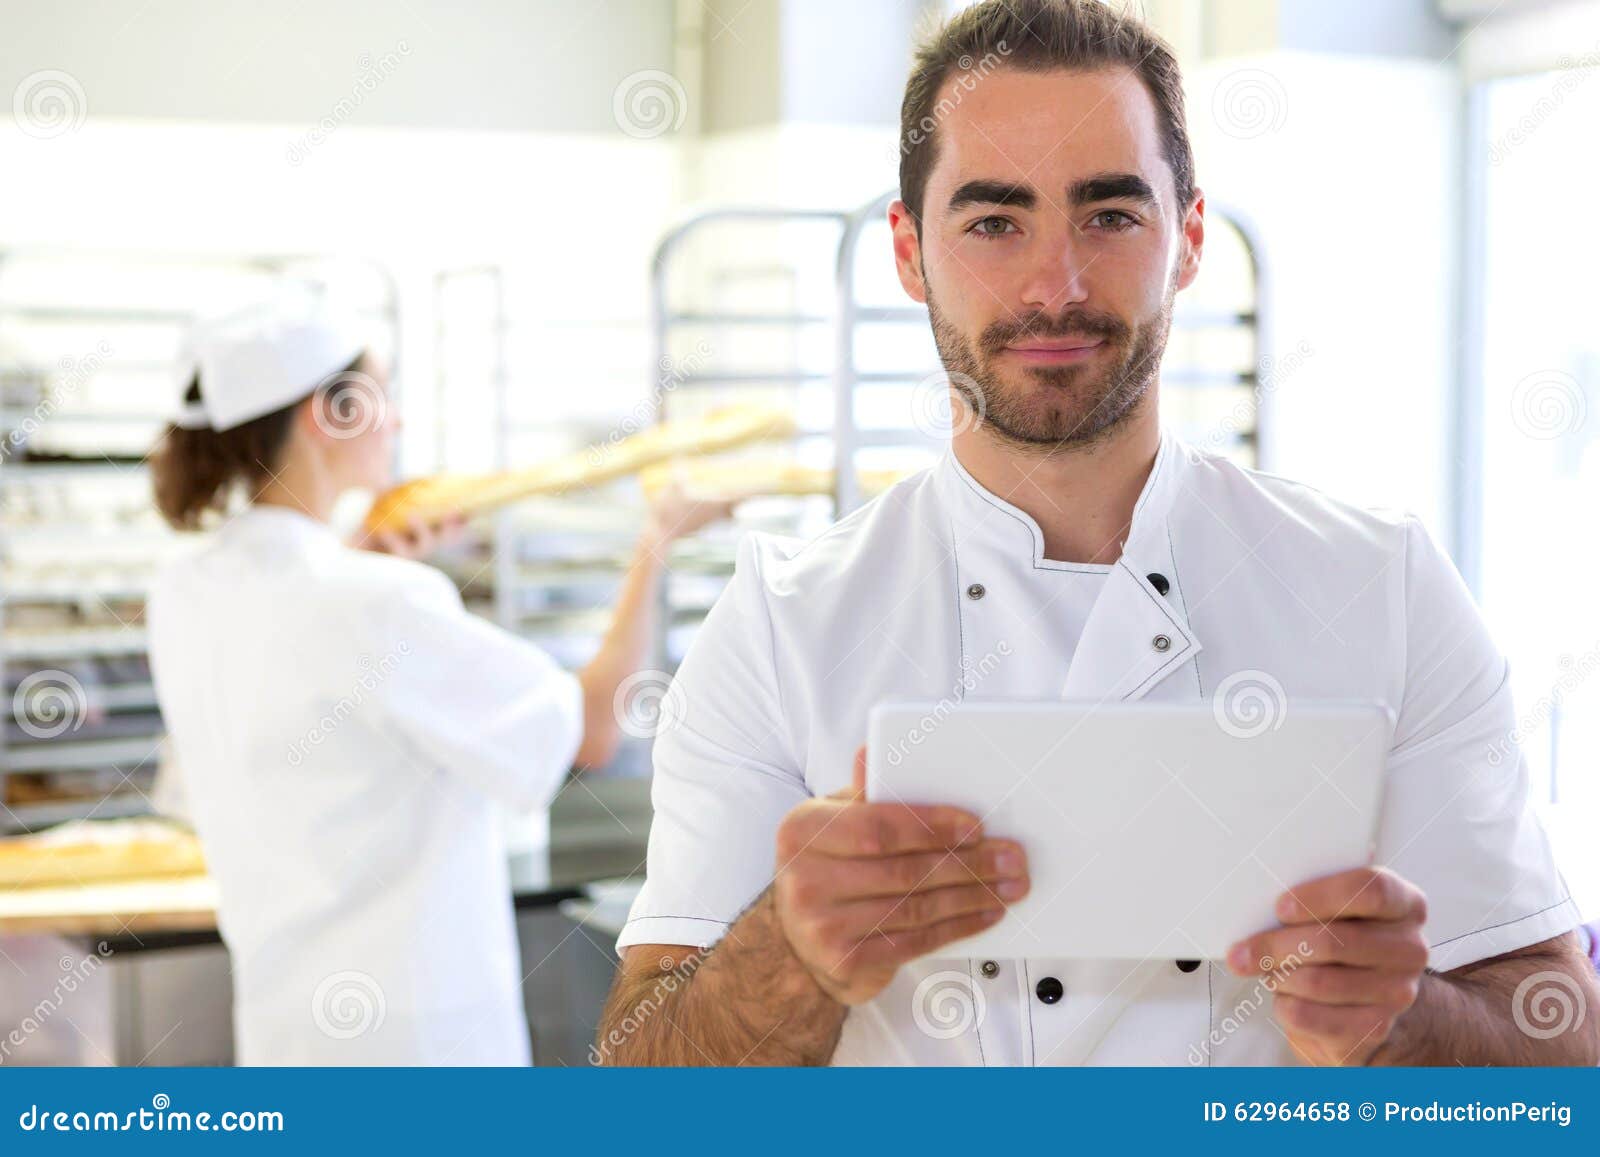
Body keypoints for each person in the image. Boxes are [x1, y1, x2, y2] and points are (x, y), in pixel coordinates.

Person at [595, 0, 1600, 1067]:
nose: (1053, 285)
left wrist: (1400, 1020)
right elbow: (635, 1080)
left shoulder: (1380, 584)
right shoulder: (778, 624)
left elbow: (1560, 1046)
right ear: (907, 251)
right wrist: (790, 950)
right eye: (993, 221)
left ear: (1188, 240)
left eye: (1109, 215)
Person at [146, 298, 725, 1065]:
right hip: (418, 1047)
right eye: (381, 396)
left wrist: (369, 563)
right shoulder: (376, 602)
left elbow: (314, 660)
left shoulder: (184, 587)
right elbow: (590, 725)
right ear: (333, 412)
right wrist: (657, 541)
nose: (398, 423)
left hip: (287, 1036)